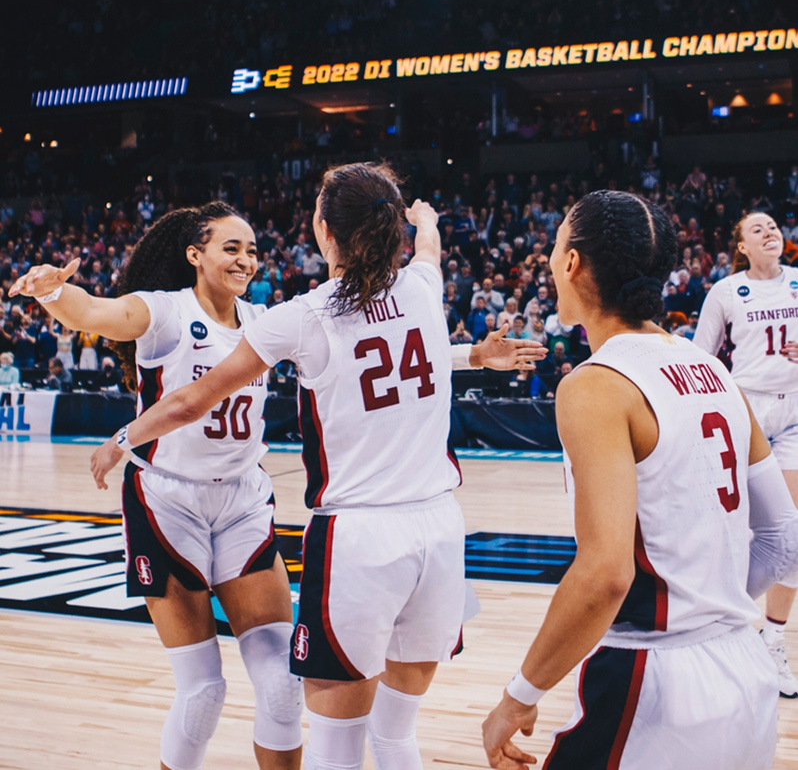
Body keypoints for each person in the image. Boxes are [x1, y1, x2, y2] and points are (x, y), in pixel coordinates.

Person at [86, 163, 543, 770]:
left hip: (359, 538)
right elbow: (424, 271)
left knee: (336, 740)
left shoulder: (302, 316)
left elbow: (194, 399)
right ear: (393, 231)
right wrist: (428, 227)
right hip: (438, 529)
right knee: (397, 733)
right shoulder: (424, 285)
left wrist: (123, 437)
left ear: (323, 231)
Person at [482, 190, 798, 770]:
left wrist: (519, 695)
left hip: (650, 682)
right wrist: (707, 603)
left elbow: (604, 575)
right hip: (743, 674)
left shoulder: (595, 384)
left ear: (572, 263)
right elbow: (785, 541)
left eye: (555, 247)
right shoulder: (716, 372)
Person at [10, 201, 305, 770]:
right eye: (231, 247)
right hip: (168, 500)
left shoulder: (264, 320)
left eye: (251, 250)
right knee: (203, 692)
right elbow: (96, 313)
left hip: (244, 500)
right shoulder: (165, 311)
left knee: (281, 686)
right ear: (195, 254)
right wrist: (51, 292)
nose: (245, 259)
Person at [693, 210, 798, 698]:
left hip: (796, 413)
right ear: (742, 247)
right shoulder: (725, 291)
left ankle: (772, 638)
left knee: (790, 536)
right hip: (746, 413)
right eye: (758, 229)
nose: (770, 232)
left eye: (774, 226)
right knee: (734, 527)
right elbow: (700, 355)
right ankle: (719, 626)